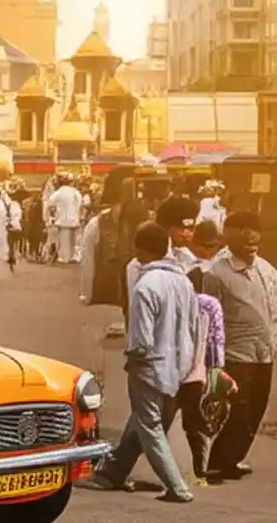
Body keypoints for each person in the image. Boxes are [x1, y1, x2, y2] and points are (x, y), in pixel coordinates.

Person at [79, 222, 197, 503]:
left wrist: (132, 359)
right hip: (179, 365)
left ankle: (177, 486)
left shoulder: (145, 286)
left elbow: (142, 339)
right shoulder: (184, 281)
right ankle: (113, 472)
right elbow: (194, 326)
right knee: (146, 423)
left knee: (149, 425)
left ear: (141, 249)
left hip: (150, 366)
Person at [201, 211, 277, 480]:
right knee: (236, 410)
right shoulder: (216, 273)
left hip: (264, 353)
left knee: (256, 408)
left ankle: (233, 458)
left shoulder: (266, 270)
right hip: (235, 354)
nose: (251, 239)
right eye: (243, 232)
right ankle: (218, 461)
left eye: (255, 234)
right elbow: (208, 317)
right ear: (228, 235)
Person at [181, 268, 234, 486]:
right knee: (199, 421)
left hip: (177, 368)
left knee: (172, 421)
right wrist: (218, 369)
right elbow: (216, 339)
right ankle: (199, 470)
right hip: (202, 372)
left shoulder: (179, 301)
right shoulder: (209, 304)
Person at [46, 173, 84, 263]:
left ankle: (64, 258)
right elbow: (80, 204)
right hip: (75, 218)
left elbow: (49, 204)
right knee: (76, 240)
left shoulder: (57, 193)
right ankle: (76, 257)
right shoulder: (75, 192)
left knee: (64, 240)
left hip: (62, 219)